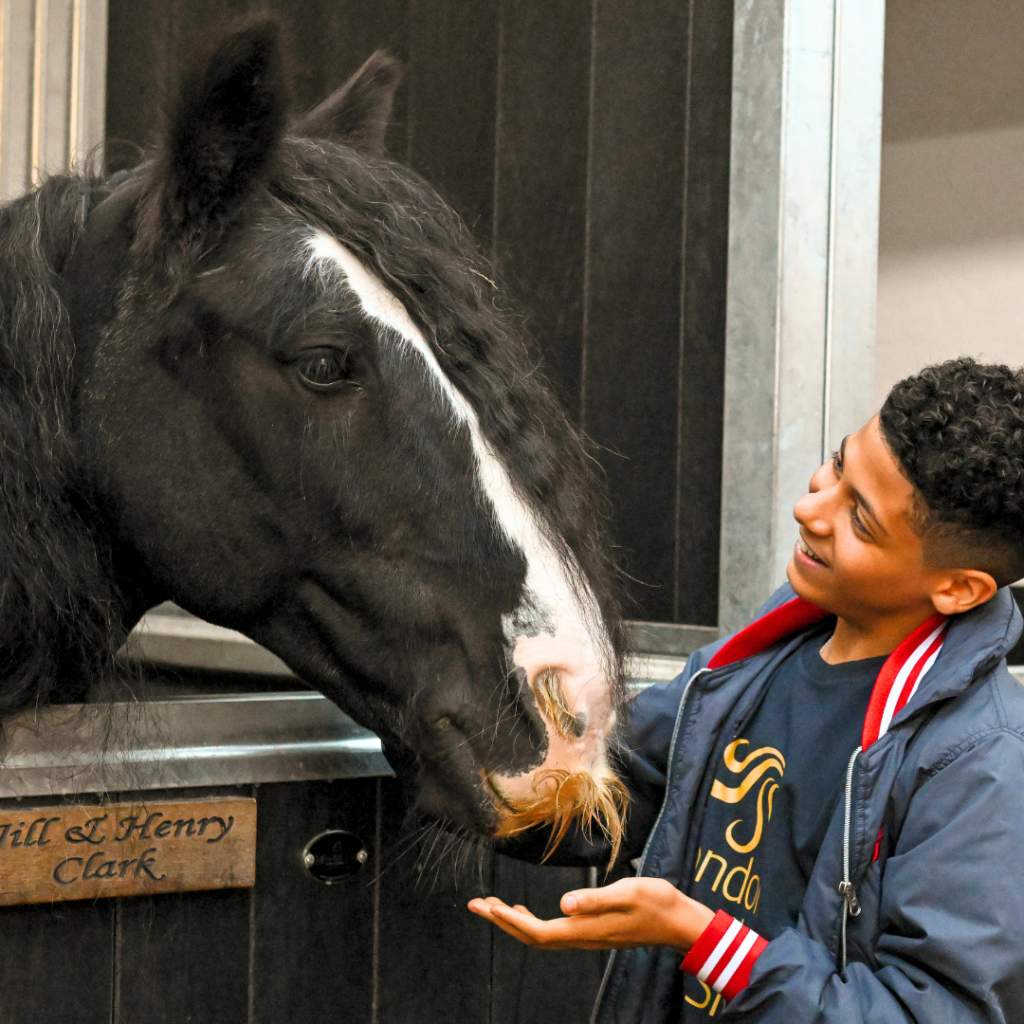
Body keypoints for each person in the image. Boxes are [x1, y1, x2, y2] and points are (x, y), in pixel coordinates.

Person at [469, 358, 1024, 1023]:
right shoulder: (763, 653)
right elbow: (611, 795)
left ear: (958, 588)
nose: (810, 507)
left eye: (861, 521)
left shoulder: (984, 763)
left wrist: (704, 940)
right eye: (836, 466)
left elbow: (926, 1013)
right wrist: (445, 722)